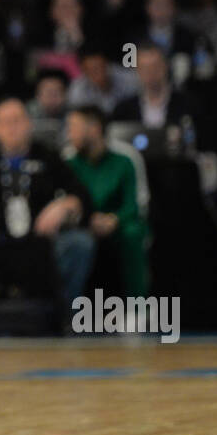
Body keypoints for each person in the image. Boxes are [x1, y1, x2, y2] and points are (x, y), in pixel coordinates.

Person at [0, 98, 95, 316]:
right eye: (5, 122)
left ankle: (68, 314)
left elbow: (81, 195)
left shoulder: (48, 157)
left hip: (42, 240)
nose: (12, 128)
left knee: (80, 243)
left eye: (17, 120)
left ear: (29, 123)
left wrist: (64, 205)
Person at [65, 106, 149, 297]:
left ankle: (137, 308)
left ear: (94, 129)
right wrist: (86, 219)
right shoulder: (68, 159)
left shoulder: (126, 157)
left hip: (120, 222)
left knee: (132, 232)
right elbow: (65, 202)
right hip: (83, 224)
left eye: (74, 127)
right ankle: (67, 311)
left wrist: (114, 219)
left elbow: (137, 203)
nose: (69, 134)